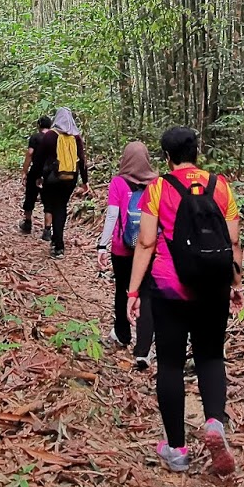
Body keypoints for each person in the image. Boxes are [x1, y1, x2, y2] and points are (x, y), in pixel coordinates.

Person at [126, 126, 243, 476]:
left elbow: (145, 243)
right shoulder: (221, 186)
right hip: (214, 287)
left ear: (166, 157)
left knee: (172, 365)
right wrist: (236, 283)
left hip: (169, 288)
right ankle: (214, 424)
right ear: (197, 151)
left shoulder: (158, 189)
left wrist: (133, 292)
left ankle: (176, 450)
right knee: (210, 356)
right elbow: (233, 242)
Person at [97, 141, 157, 369]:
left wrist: (102, 246)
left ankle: (122, 333)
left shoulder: (118, 182)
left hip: (122, 249)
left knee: (123, 290)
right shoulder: (157, 183)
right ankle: (143, 351)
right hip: (149, 247)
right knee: (146, 294)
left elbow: (112, 216)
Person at [42, 106, 88, 258]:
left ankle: (56, 240)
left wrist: (36, 176)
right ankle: (58, 244)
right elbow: (81, 160)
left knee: (52, 206)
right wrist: (84, 181)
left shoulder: (49, 136)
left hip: (51, 178)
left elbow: (39, 159)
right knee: (61, 206)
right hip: (70, 178)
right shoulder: (76, 137)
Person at [19, 115, 55, 238]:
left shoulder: (35, 137)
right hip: (50, 173)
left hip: (36, 171)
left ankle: (28, 223)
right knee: (49, 200)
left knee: (30, 195)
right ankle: (47, 230)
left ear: (39, 125)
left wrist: (24, 171)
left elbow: (30, 153)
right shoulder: (55, 137)